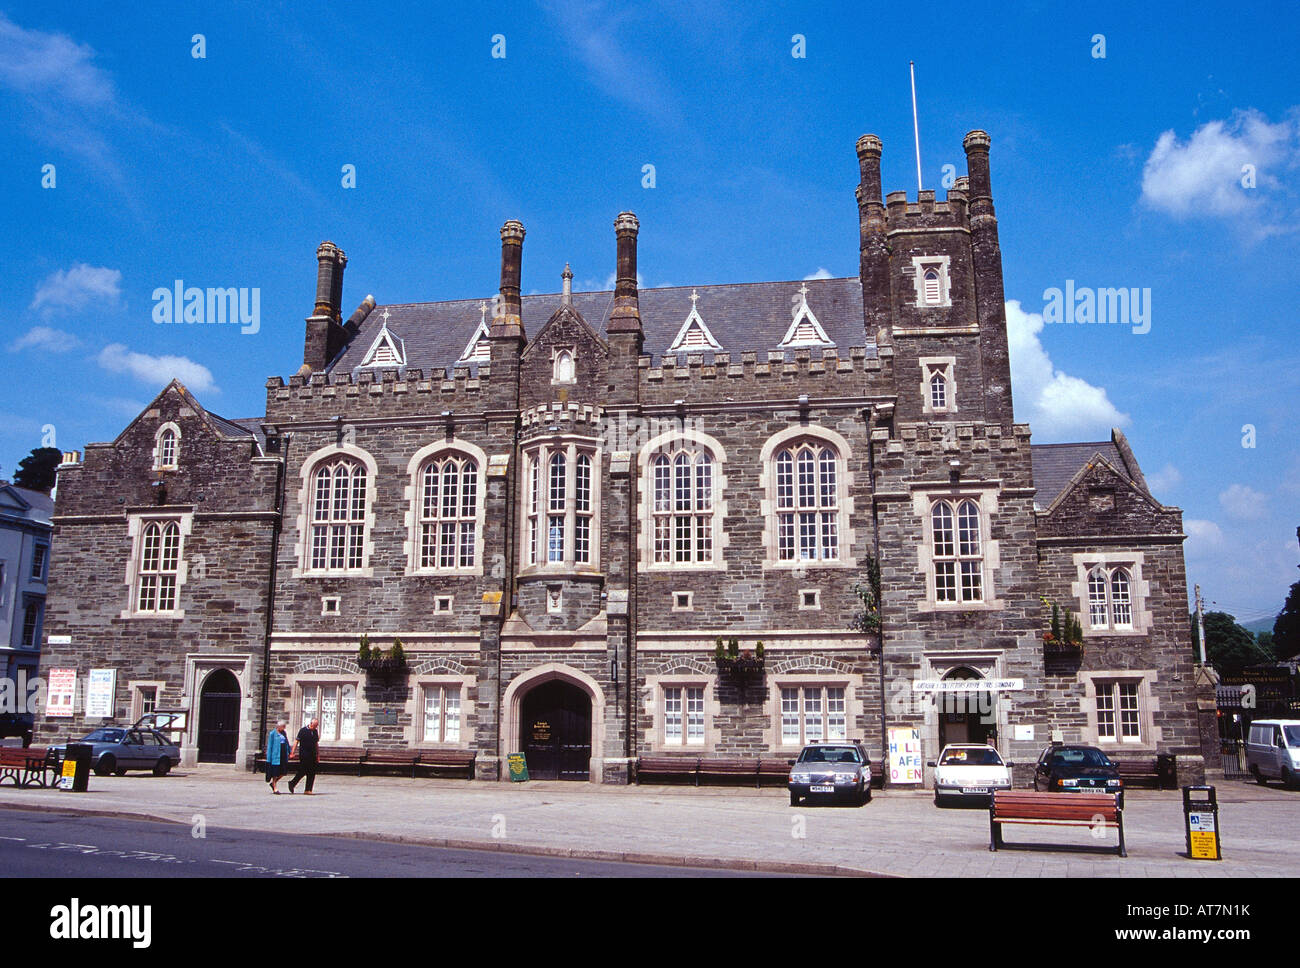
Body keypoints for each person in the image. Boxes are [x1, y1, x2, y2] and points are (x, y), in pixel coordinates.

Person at [288, 718, 320, 794]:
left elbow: (316, 744)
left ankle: (308, 789)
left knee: (312, 772)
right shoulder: (303, 730)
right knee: (303, 771)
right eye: (314, 725)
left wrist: (318, 754)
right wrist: (292, 752)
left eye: (316, 726)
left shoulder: (315, 731)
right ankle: (292, 783)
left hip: (312, 755)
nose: (315, 727)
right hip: (304, 754)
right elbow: (296, 741)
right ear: (311, 724)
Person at [264, 720, 291, 794]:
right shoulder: (272, 733)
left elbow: (287, 743)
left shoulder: (284, 733)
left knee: (283, 772)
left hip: (283, 754)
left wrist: (290, 751)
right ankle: (275, 787)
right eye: (283, 727)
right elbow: (270, 746)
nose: (284, 728)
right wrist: (269, 758)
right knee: (275, 772)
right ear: (279, 726)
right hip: (275, 755)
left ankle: (273, 783)